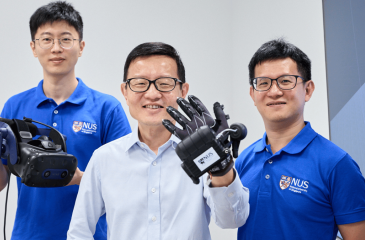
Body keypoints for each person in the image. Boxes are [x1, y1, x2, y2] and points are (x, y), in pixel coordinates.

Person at [67, 42, 250, 240]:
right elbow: (79, 232)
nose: (152, 94)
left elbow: (231, 221)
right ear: (125, 92)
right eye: (139, 83)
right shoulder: (104, 159)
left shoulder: (202, 151)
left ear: (183, 90)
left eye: (164, 83)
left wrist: (220, 166)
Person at [0, 2, 131, 240]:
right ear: (33, 47)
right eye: (46, 39)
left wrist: (80, 179)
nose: (56, 48)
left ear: (81, 46)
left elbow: (129, 183)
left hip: (90, 235)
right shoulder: (15, 106)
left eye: (65, 39)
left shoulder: (106, 108)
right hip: (28, 234)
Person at [235, 38, 365, 240]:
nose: (274, 91)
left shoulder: (337, 165)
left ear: (307, 90)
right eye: (263, 83)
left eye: (285, 81)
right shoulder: (244, 160)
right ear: (253, 94)